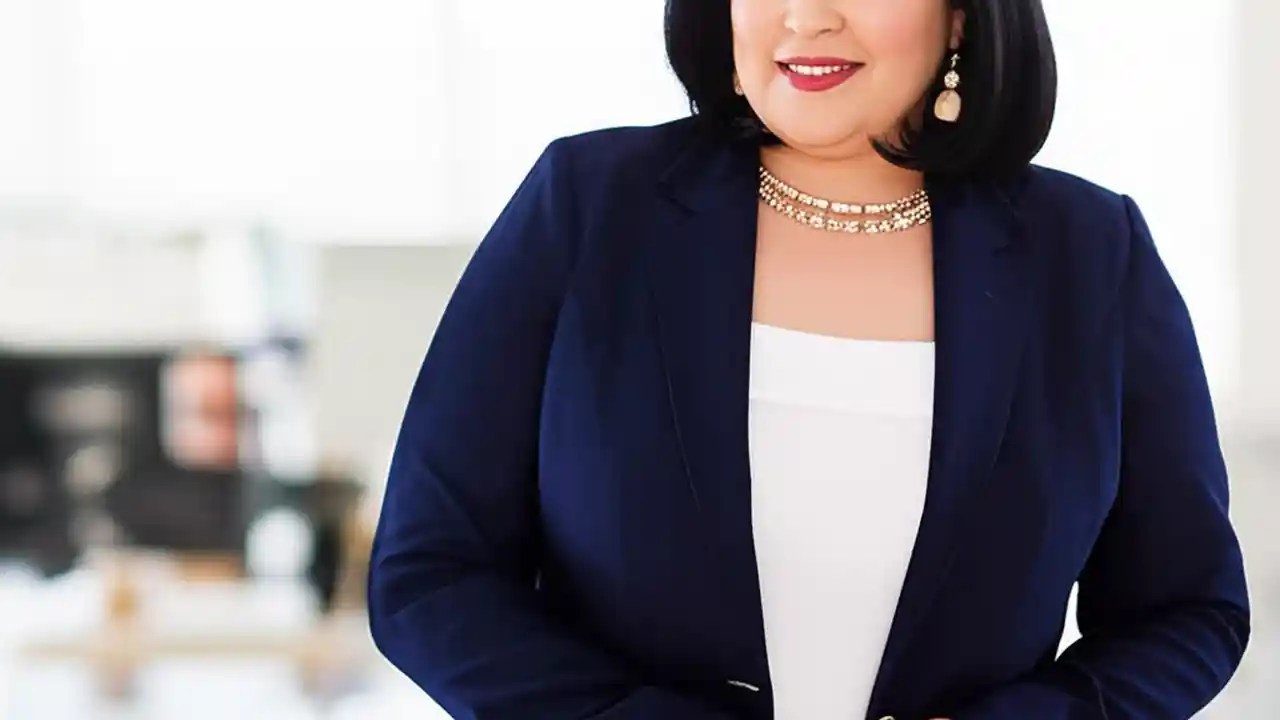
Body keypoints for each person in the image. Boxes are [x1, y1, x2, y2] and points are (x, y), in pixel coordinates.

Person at [366, 1, 1250, 718]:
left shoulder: (1093, 254)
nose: (806, 17)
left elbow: (1188, 610)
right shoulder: (589, 205)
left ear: (962, 19)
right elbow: (431, 574)